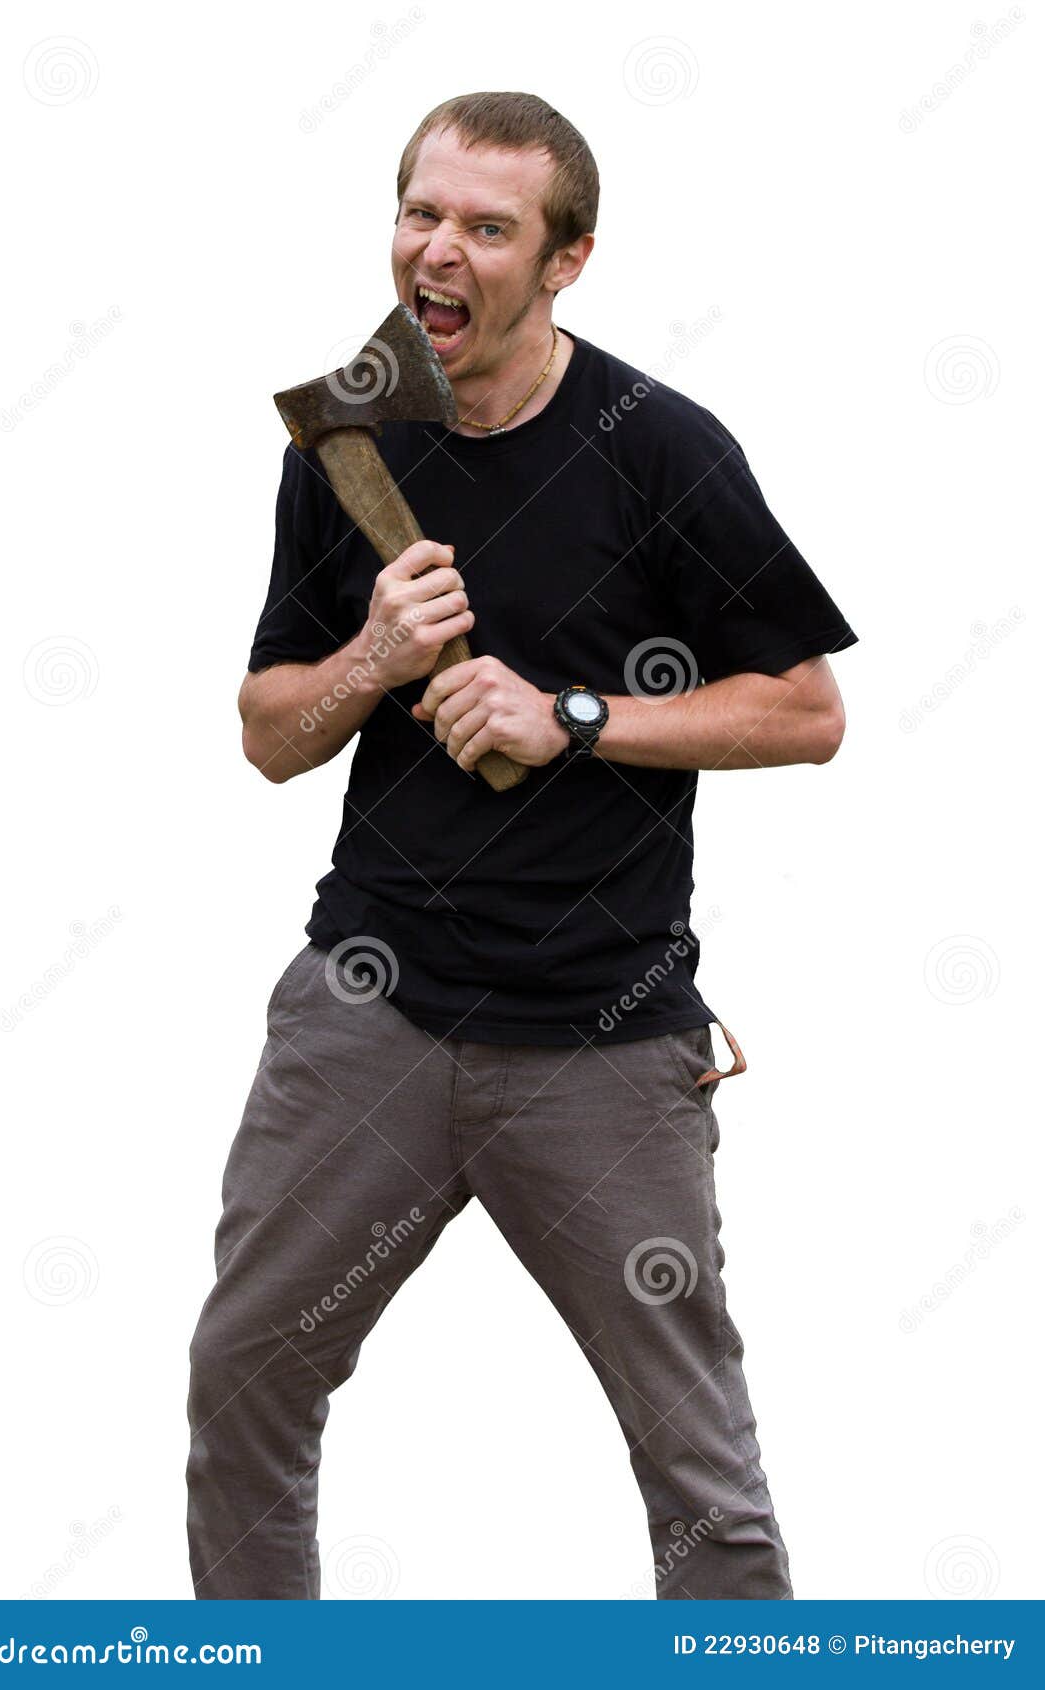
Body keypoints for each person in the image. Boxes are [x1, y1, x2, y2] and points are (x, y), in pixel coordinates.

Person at [186, 91, 857, 1601]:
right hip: (372, 1007)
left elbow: (808, 710)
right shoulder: (350, 440)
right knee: (246, 1377)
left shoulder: (662, 449)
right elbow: (268, 733)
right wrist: (369, 659)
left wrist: (573, 712)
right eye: (423, 215)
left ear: (567, 262)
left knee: (702, 1470)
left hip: (605, 1035)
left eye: (489, 227)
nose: (442, 250)